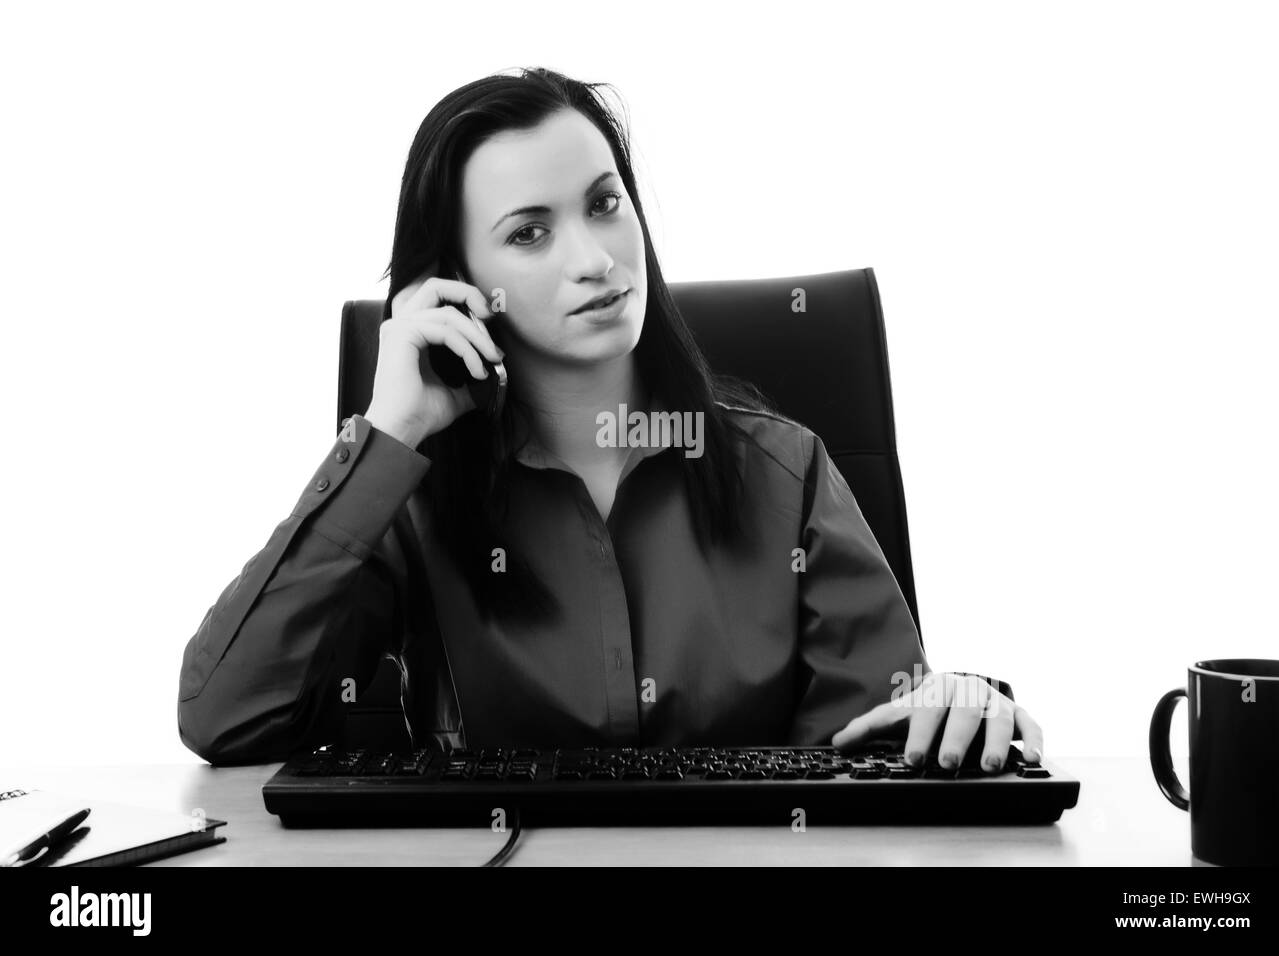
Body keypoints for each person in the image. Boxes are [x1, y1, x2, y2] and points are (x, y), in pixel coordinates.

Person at [177, 66, 1044, 771]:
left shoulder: (788, 472)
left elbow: (885, 749)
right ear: (457, 285)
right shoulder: (414, 498)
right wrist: (388, 433)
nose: (596, 260)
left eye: (604, 203)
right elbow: (226, 717)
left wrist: (963, 708)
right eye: (528, 234)